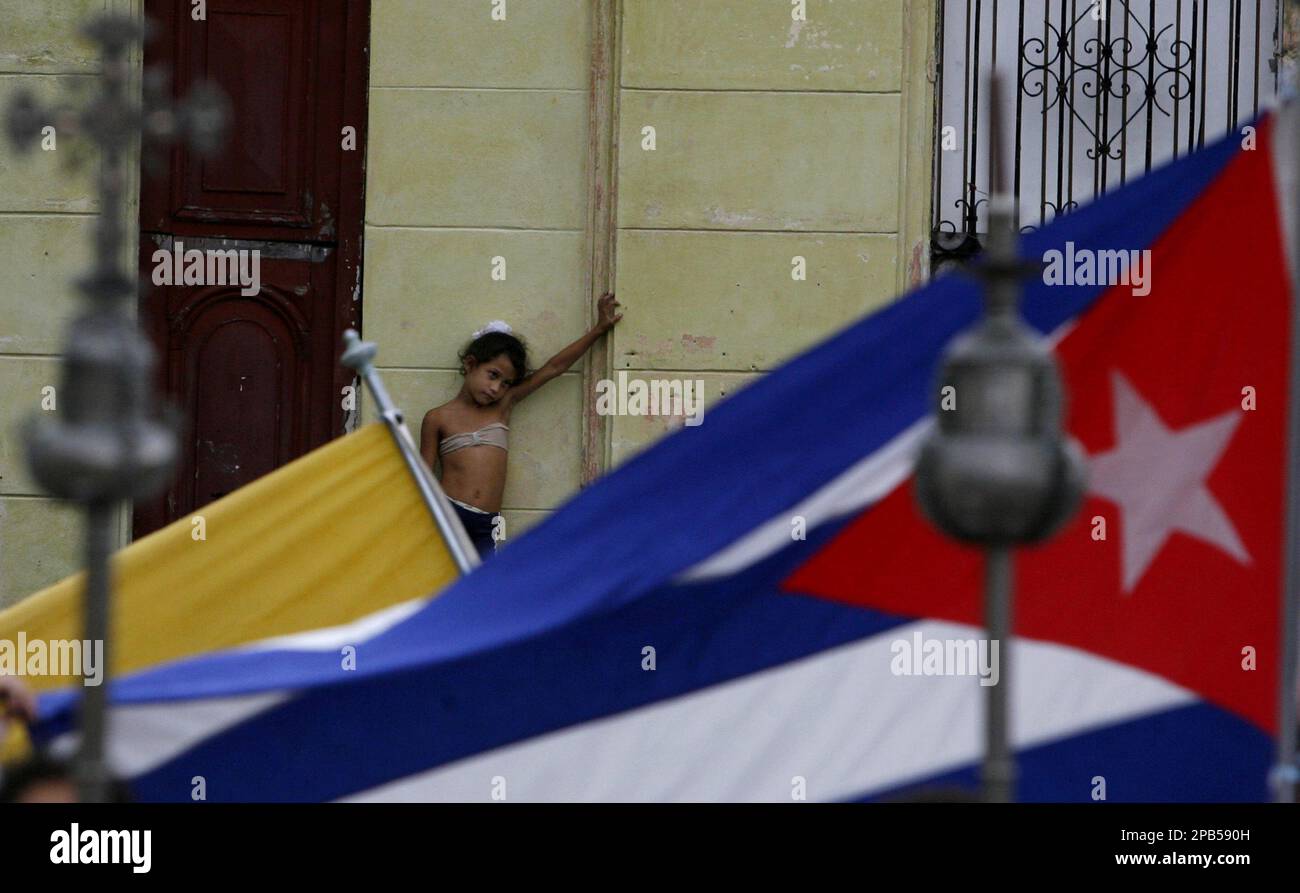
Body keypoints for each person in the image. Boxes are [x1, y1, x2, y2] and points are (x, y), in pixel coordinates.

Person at [420, 293, 622, 561]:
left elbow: (554, 368)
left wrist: (598, 330)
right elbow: (419, 479)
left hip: (486, 524)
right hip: (447, 515)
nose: (496, 388)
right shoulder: (437, 418)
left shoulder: (503, 405)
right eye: (493, 375)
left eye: (505, 383)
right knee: (440, 586)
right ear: (470, 365)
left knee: (484, 592)